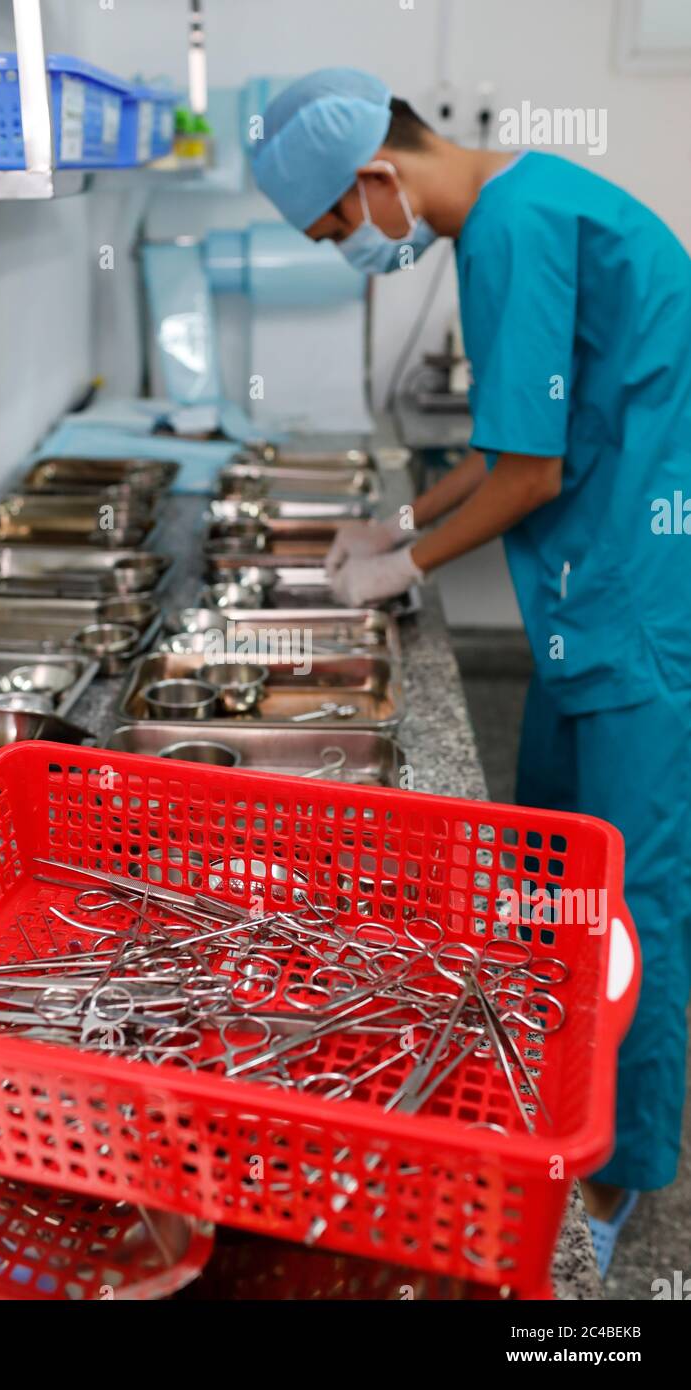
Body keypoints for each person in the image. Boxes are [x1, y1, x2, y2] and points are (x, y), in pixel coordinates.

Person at [251, 67, 691, 1275]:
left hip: (637, 605)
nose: (353, 247)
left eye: (338, 225)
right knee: (549, 862)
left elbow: (528, 482)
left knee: (629, 909)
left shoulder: (512, 231)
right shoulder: (522, 201)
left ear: (374, 177)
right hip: (588, 596)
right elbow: (504, 447)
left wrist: (409, 567)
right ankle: (543, 1100)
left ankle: (615, 1178)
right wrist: (398, 523)